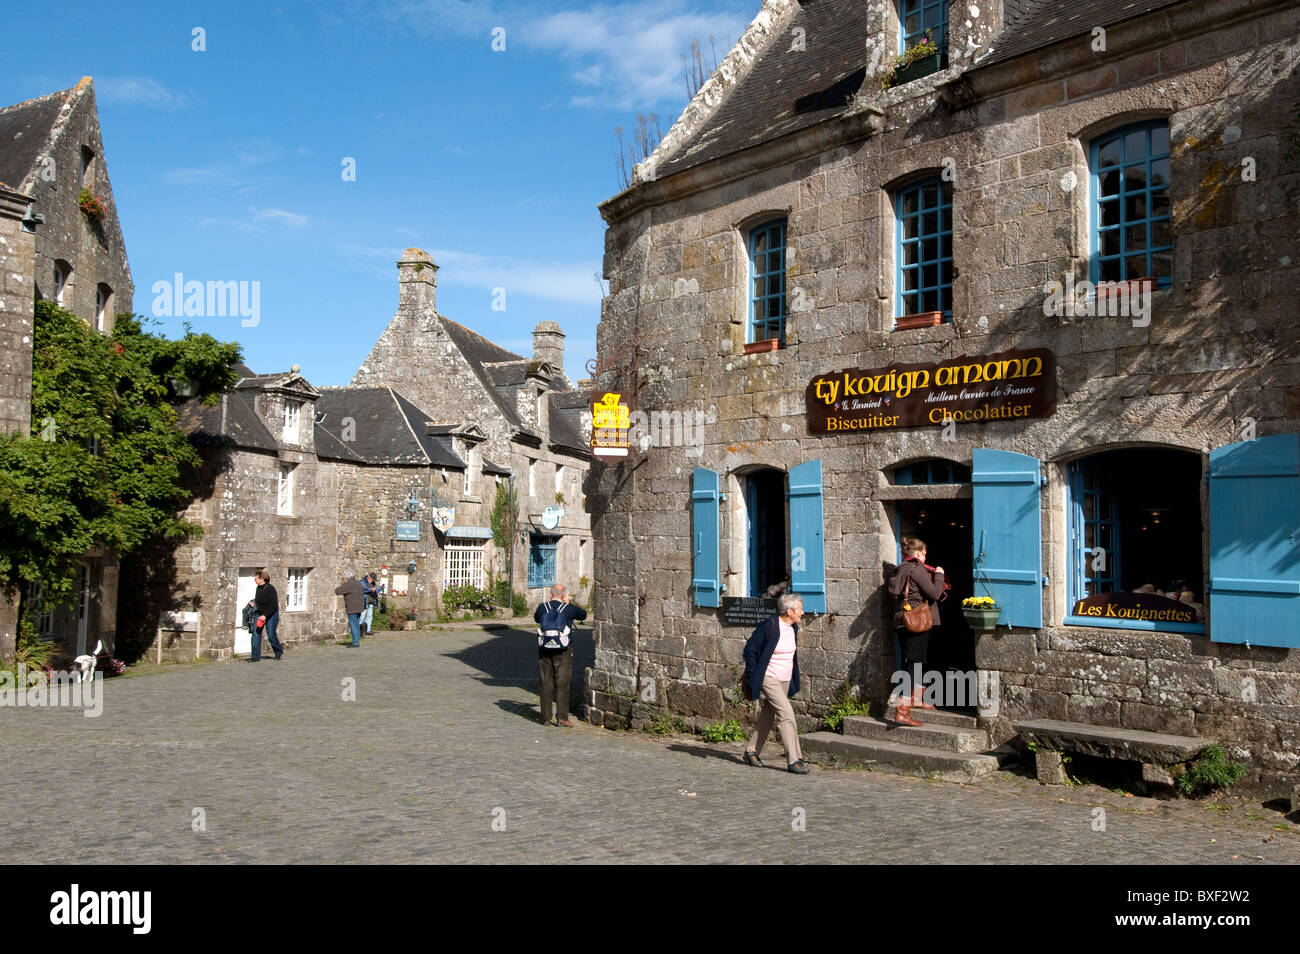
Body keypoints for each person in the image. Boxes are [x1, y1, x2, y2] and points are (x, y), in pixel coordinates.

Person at [741, 593, 809, 774]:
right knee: (786, 714)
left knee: (768, 715)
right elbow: (750, 650)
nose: (802, 613)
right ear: (789, 611)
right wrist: (754, 675)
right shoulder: (769, 626)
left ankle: (751, 751)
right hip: (768, 677)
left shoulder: (792, 628)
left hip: (784, 678)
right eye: (800, 609)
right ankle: (794, 759)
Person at [887, 537, 946, 726]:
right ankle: (902, 709)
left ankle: (918, 697)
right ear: (918, 553)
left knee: (913, 662)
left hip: (902, 621)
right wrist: (939, 575)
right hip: (917, 621)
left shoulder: (901, 568)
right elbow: (935, 593)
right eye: (925, 554)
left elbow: (895, 591)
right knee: (914, 665)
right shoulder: (917, 568)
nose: (925, 558)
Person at [533, 583, 587, 727]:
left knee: (546, 682)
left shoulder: (542, 607)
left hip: (545, 649)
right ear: (564, 596)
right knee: (562, 683)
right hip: (563, 650)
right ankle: (562, 718)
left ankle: (545, 717)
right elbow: (584, 615)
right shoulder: (569, 609)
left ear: (550, 595)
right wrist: (569, 603)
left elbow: (537, 619)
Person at [250, 570, 284, 662]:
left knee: (271, 635)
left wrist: (265, 616)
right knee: (255, 634)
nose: (255, 580)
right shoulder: (258, 588)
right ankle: (255, 656)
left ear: (262, 579)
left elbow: (273, 605)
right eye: (255, 579)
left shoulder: (270, 589)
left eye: (256, 579)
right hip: (260, 613)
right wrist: (254, 604)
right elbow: (258, 601)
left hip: (271, 614)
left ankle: (278, 651)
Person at [335, 567, 365, 647]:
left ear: (347, 576)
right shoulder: (358, 583)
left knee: (353, 625)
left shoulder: (349, 584)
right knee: (356, 624)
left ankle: (355, 643)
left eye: (344, 576)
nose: (344, 578)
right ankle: (356, 641)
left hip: (353, 607)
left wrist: (341, 583)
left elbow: (338, 591)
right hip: (359, 607)